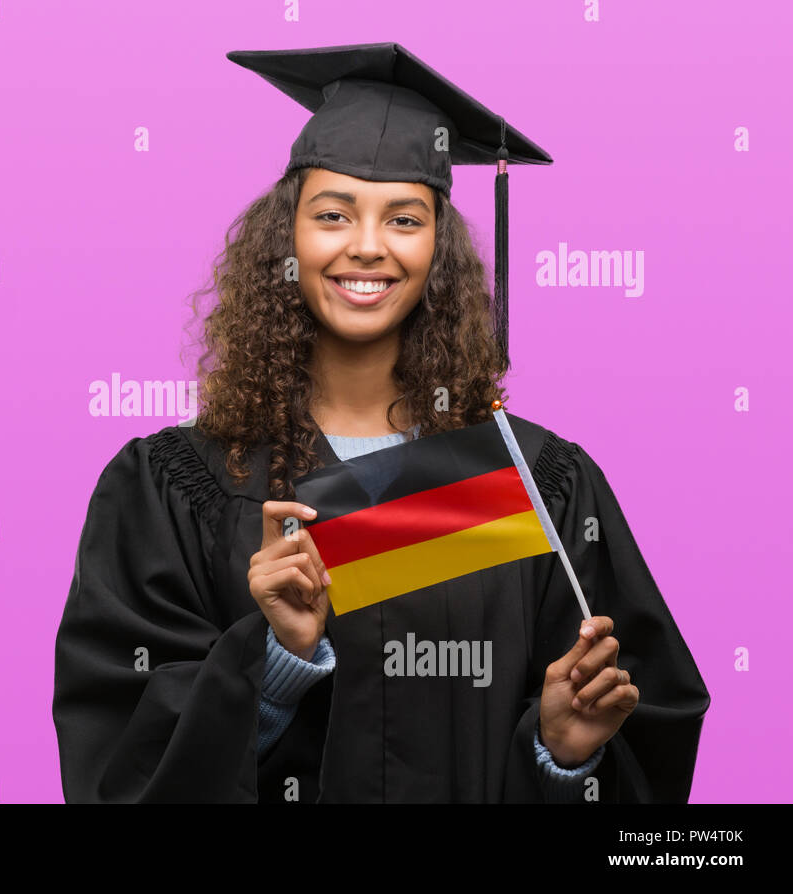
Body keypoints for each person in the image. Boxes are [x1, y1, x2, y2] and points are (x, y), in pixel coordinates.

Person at [51, 42, 709, 803]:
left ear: (440, 250)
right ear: (285, 240)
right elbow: (119, 762)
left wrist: (560, 754)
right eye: (333, 215)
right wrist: (276, 663)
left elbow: (647, 730)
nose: (367, 246)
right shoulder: (177, 487)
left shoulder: (532, 484)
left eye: (404, 218)